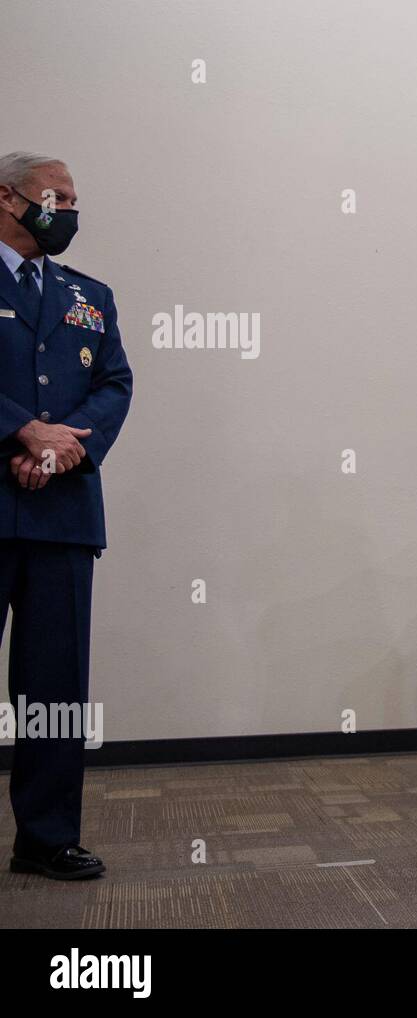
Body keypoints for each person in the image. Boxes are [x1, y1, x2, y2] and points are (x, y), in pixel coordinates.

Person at [0, 151, 132, 879]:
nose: (70, 212)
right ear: (9, 198)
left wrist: (60, 451)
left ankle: (46, 838)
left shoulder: (90, 295)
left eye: (76, 200)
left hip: (62, 512)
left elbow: (114, 384)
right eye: (59, 197)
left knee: (55, 687)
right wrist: (23, 431)